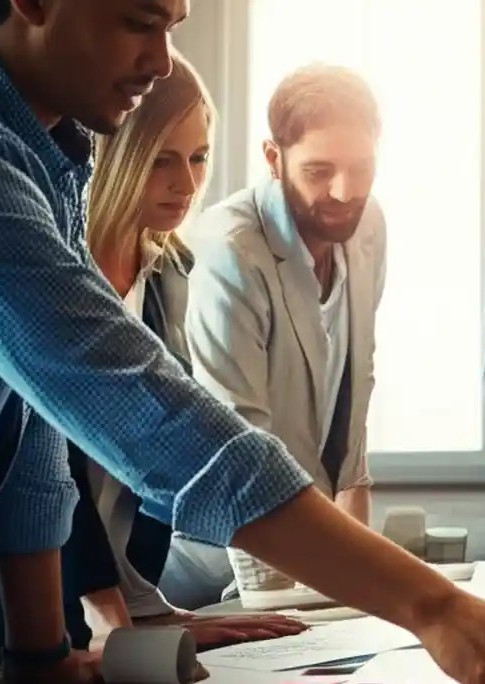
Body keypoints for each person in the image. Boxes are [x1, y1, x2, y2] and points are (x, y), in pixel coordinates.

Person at [0, 1, 485, 684]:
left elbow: (33, 432)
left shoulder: (51, 153)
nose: (162, 61)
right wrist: (441, 611)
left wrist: (39, 654)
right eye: (139, 21)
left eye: (174, 27)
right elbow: (153, 418)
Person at [52, 48, 307, 651]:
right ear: (115, 155)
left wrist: (152, 611)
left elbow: (153, 470)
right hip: (33, 604)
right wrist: (114, 619)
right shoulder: (60, 274)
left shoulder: (172, 274)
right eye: (162, 159)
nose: (188, 183)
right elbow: (52, 471)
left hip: (118, 601)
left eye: (198, 157)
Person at [157, 63, 385, 610]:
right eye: (318, 170)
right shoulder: (232, 250)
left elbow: (354, 393)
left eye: (362, 167)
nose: (344, 190)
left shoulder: (367, 222)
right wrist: (283, 599)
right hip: (214, 553)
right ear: (272, 157)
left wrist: (363, 576)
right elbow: (240, 445)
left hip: (308, 542)